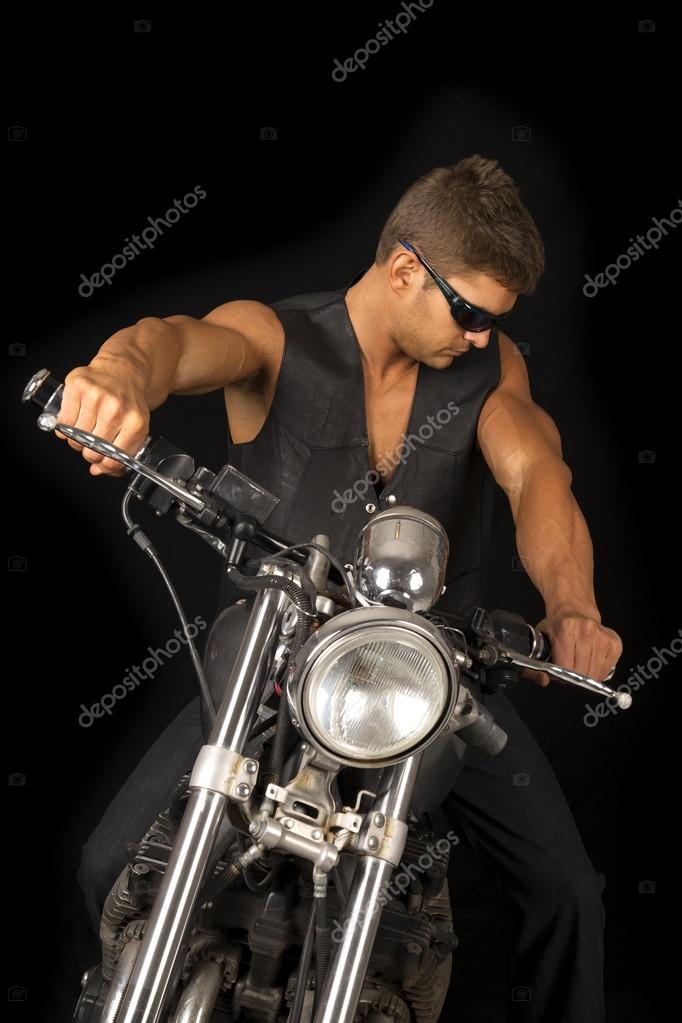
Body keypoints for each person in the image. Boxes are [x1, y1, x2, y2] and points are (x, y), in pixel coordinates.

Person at [66, 154, 623, 1021]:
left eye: (493, 321)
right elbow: (169, 343)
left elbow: (538, 477)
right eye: (471, 312)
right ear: (406, 268)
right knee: (108, 865)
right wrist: (115, 379)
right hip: (272, 672)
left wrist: (575, 605)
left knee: (570, 895)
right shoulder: (273, 339)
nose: (481, 337)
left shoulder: (490, 371)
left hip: (430, 677)